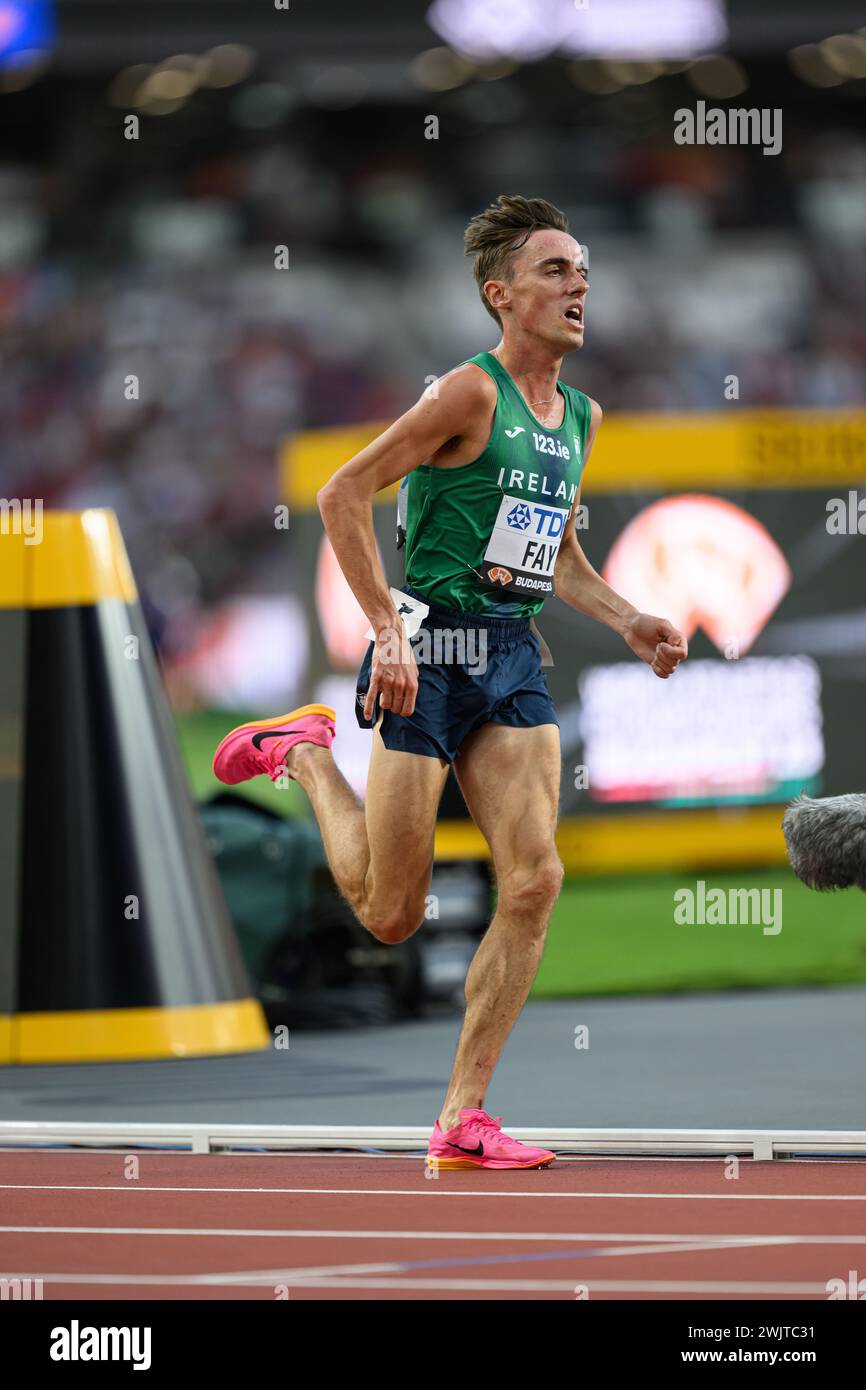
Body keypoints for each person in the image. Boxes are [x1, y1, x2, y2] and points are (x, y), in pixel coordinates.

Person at [214, 195, 688, 1170]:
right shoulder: (467, 396)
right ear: (499, 294)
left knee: (536, 878)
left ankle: (461, 1116)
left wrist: (627, 616)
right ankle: (306, 755)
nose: (577, 286)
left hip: (509, 656)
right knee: (391, 913)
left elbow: (556, 556)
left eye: (582, 269)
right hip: (425, 653)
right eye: (555, 271)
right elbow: (340, 491)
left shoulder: (581, 416)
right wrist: (384, 625)